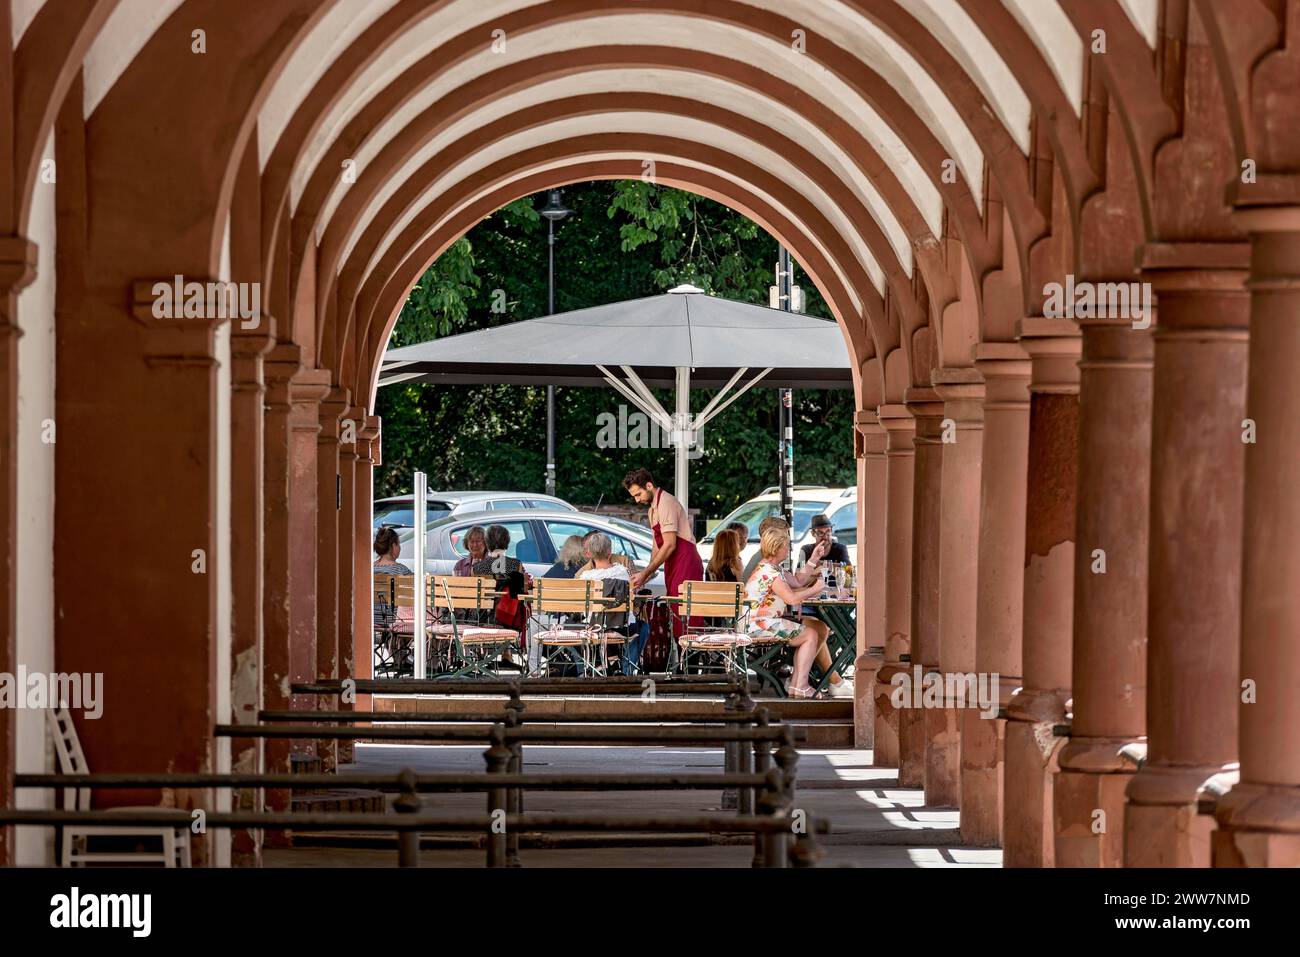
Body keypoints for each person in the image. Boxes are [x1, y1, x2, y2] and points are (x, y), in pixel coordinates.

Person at [745, 523, 851, 698]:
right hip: (759, 626)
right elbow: (792, 598)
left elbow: (797, 582)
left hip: (763, 622)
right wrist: (818, 587)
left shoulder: (772, 568)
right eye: (786, 546)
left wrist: (813, 559)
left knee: (818, 628)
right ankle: (800, 685)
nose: (788, 550)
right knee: (810, 635)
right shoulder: (770, 573)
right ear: (777, 547)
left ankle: (796, 684)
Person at [624, 468, 704, 600]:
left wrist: (645, 573)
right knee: (674, 609)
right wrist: (647, 574)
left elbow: (670, 544)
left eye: (638, 494)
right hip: (673, 563)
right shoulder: (652, 510)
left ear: (649, 486)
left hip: (686, 562)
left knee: (685, 614)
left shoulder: (666, 502)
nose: (637, 500)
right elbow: (656, 546)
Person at [579, 532, 637, 674]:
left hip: (593, 627)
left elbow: (581, 609)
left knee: (581, 625)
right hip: (623, 626)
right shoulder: (623, 572)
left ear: (590, 554)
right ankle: (618, 663)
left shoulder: (585, 577)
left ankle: (598, 664)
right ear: (610, 552)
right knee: (640, 626)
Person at [471, 524, 529, 664]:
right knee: (511, 603)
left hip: (483, 619)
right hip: (509, 619)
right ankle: (506, 652)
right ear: (507, 543)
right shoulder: (516, 565)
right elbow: (519, 594)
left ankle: (481, 655)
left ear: (487, 543)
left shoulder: (477, 568)